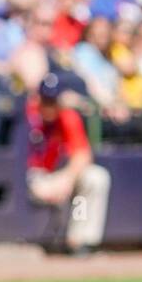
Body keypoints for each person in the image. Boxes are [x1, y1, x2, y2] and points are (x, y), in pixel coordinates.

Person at [26, 74, 111, 256]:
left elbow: (83, 154)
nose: (50, 106)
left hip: (56, 175)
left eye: (54, 100)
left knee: (96, 177)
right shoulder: (27, 114)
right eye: (46, 100)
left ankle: (81, 242)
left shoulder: (66, 116)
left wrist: (66, 179)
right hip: (29, 176)